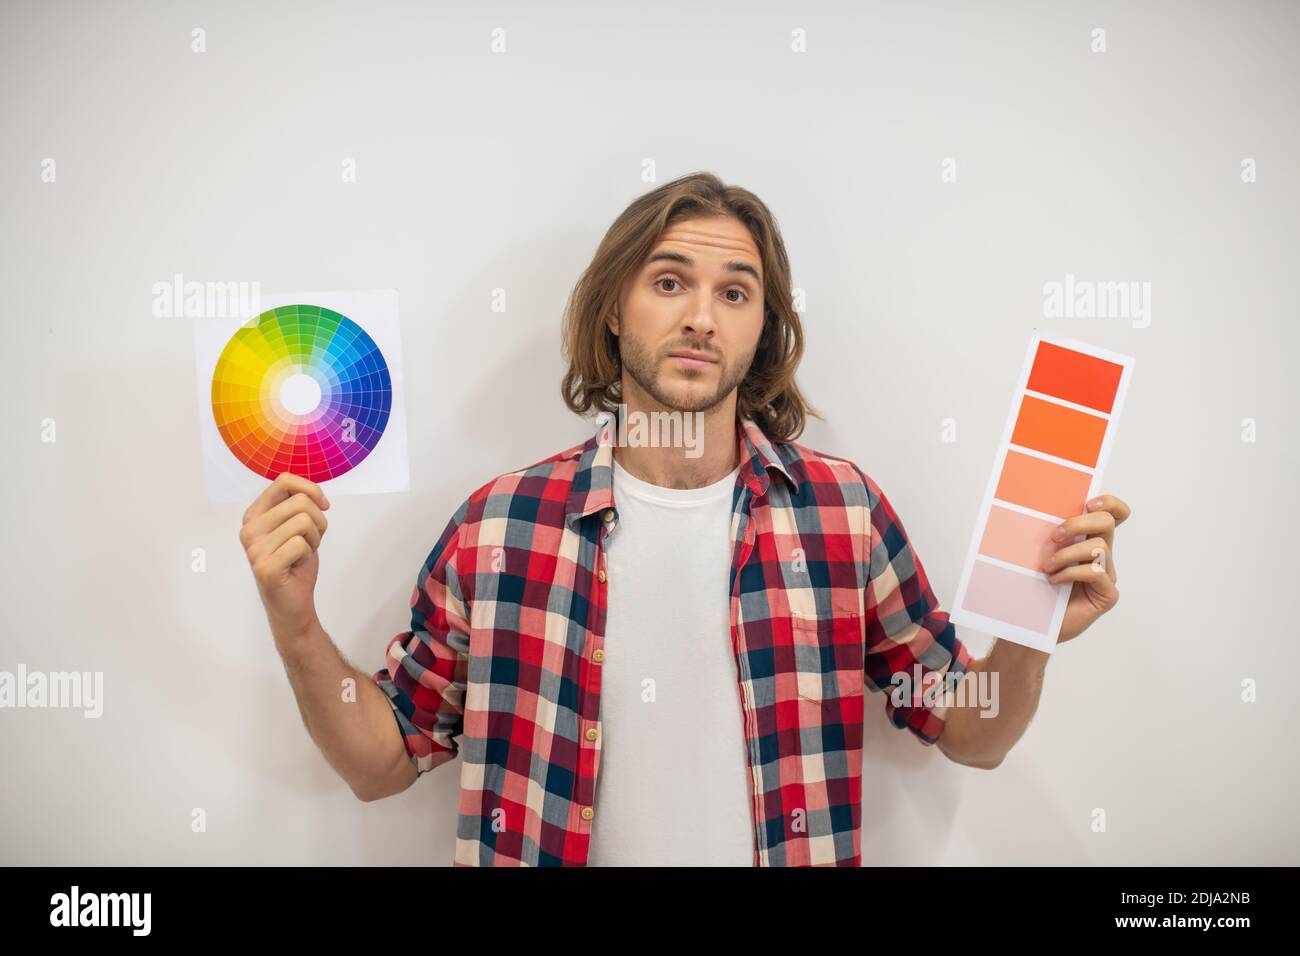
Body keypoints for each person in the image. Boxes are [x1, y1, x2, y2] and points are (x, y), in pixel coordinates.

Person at [238, 171, 1131, 866]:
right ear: (616, 314)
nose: (702, 317)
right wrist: (295, 622)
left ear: (761, 330)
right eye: (670, 282)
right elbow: (383, 759)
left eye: (735, 294)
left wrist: (1032, 628)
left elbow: (968, 730)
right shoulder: (500, 527)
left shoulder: (842, 514)